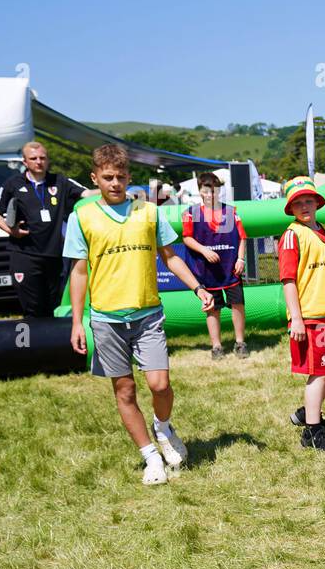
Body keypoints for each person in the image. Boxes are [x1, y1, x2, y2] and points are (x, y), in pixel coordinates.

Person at [63, 144, 214, 485]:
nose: (115, 183)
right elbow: (79, 271)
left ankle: (163, 428)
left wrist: (198, 287)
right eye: (107, 177)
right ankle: (150, 458)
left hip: (148, 314)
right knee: (125, 391)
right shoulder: (82, 216)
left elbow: (171, 256)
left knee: (160, 385)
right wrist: (77, 322)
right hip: (105, 319)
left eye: (120, 177)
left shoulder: (147, 211)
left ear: (129, 177)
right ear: (95, 178)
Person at [279, 176, 325, 452]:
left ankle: (308, 412)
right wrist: (296, 317)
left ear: (317, 203)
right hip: (310, 316)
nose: (304, 206)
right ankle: (313, 434)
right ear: (291, 208)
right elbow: (288, 280)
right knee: (317, 373)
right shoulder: (292, 235)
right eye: (298, 202)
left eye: (309, 200)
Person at [0, 141, 87, 316]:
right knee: (33, 307)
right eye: (33, 158)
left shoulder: (60, 181)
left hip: (54, 256)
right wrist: (11, 230)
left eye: (42, 158)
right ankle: (26, 343)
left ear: (48, 160)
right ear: (25, 162)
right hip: (24, 254)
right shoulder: (12, 183)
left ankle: (53, 343)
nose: (39, 162)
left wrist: (117, 191)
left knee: (53, 306)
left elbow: (86, 193)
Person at [181, 172, 248, 359]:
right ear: (199, 191)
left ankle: (240, 342)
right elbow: (186, 238)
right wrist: (204, 250)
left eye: (214, 191)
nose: (210, 195)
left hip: (230, 268)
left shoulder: (231, 211)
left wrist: (240, 259)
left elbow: (242, 237)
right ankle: (216, 346)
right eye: (206, 191)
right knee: (212, 308)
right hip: (207, 271)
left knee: (238, 305)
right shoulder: (190, 214)